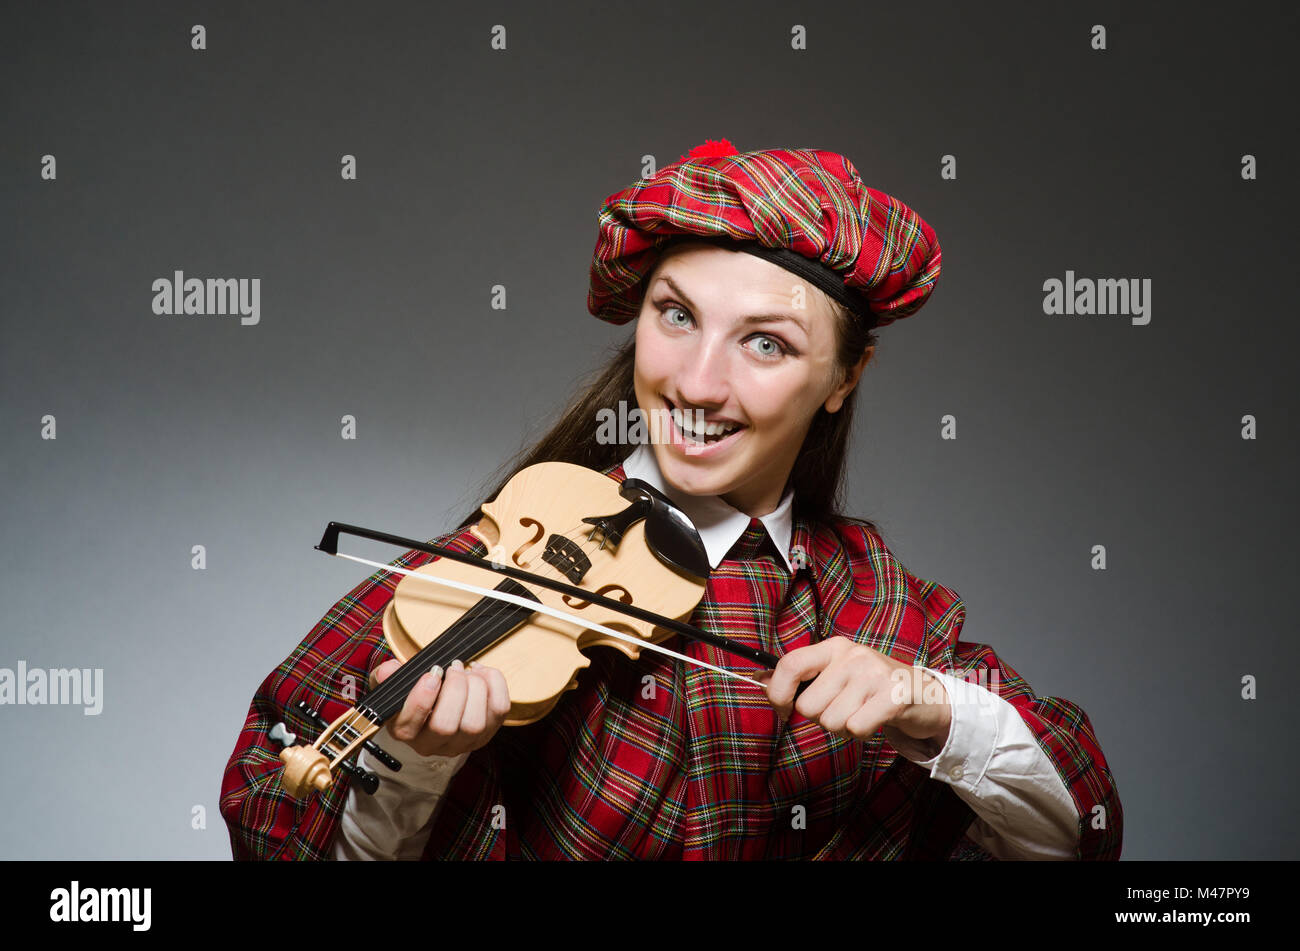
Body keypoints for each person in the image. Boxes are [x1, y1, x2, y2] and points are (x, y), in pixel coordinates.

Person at [220, 140, 1122, 860]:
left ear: (846, 376)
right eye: (676, 315)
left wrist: (938, 710)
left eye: (765, 344)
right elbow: (275, 824)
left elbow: (1076, 832)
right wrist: (414, 764)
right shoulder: (492, 562)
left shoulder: (885, 613)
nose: (697, 382)